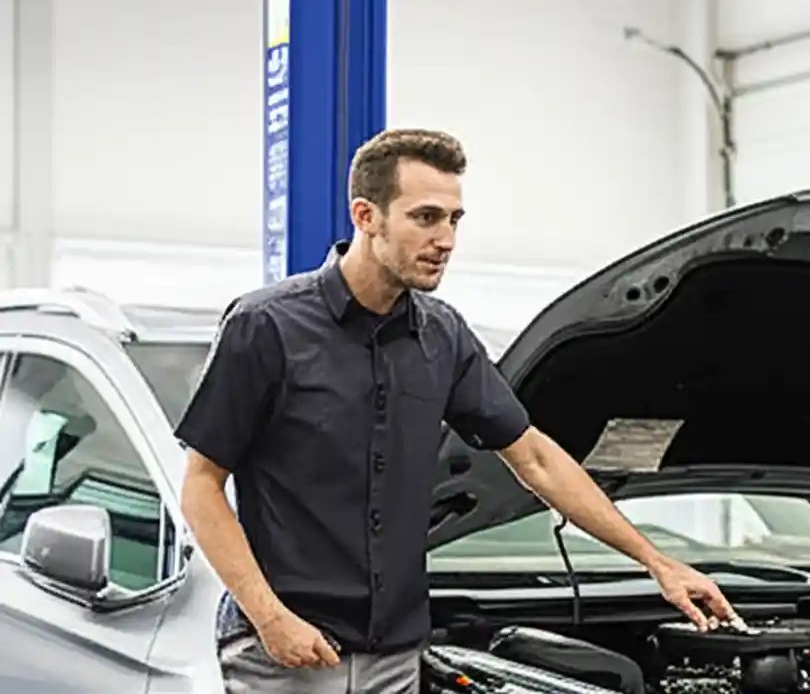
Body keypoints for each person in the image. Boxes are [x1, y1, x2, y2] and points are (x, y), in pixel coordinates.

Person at [177, 128, 741, 693]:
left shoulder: (443, 336)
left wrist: (658, 563)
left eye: (454, 220)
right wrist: (270, 619)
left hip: (396, 655)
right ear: (366, 215)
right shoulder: (265, 327)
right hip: (287, 654)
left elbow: (536, 458)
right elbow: (201, 486)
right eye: (425, 217)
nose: (445, 239)